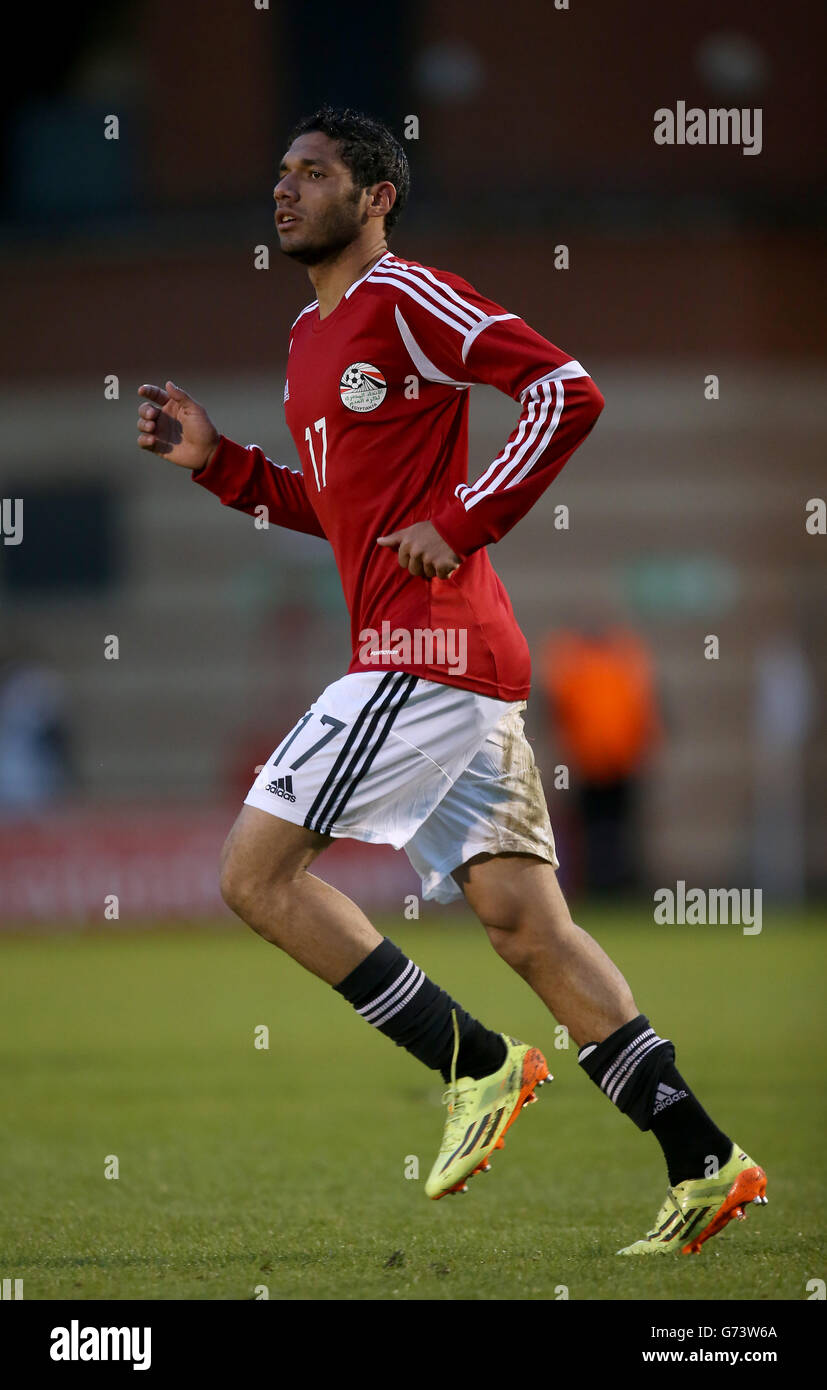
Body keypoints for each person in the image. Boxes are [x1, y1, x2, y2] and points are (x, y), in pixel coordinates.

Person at [135, 106, 766, 1254]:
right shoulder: (304, 336)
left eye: (313, 174)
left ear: (375, 196)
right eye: (279, 173)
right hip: (447, 659)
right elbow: (333, 513)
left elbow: (566, 390)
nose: (284, 191)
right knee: (527, 928)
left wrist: (465, 515)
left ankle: (473, 1062)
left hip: (421, 653)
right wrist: (219, 464)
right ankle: (704, 1156)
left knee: (255, 873)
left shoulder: (410, 301)